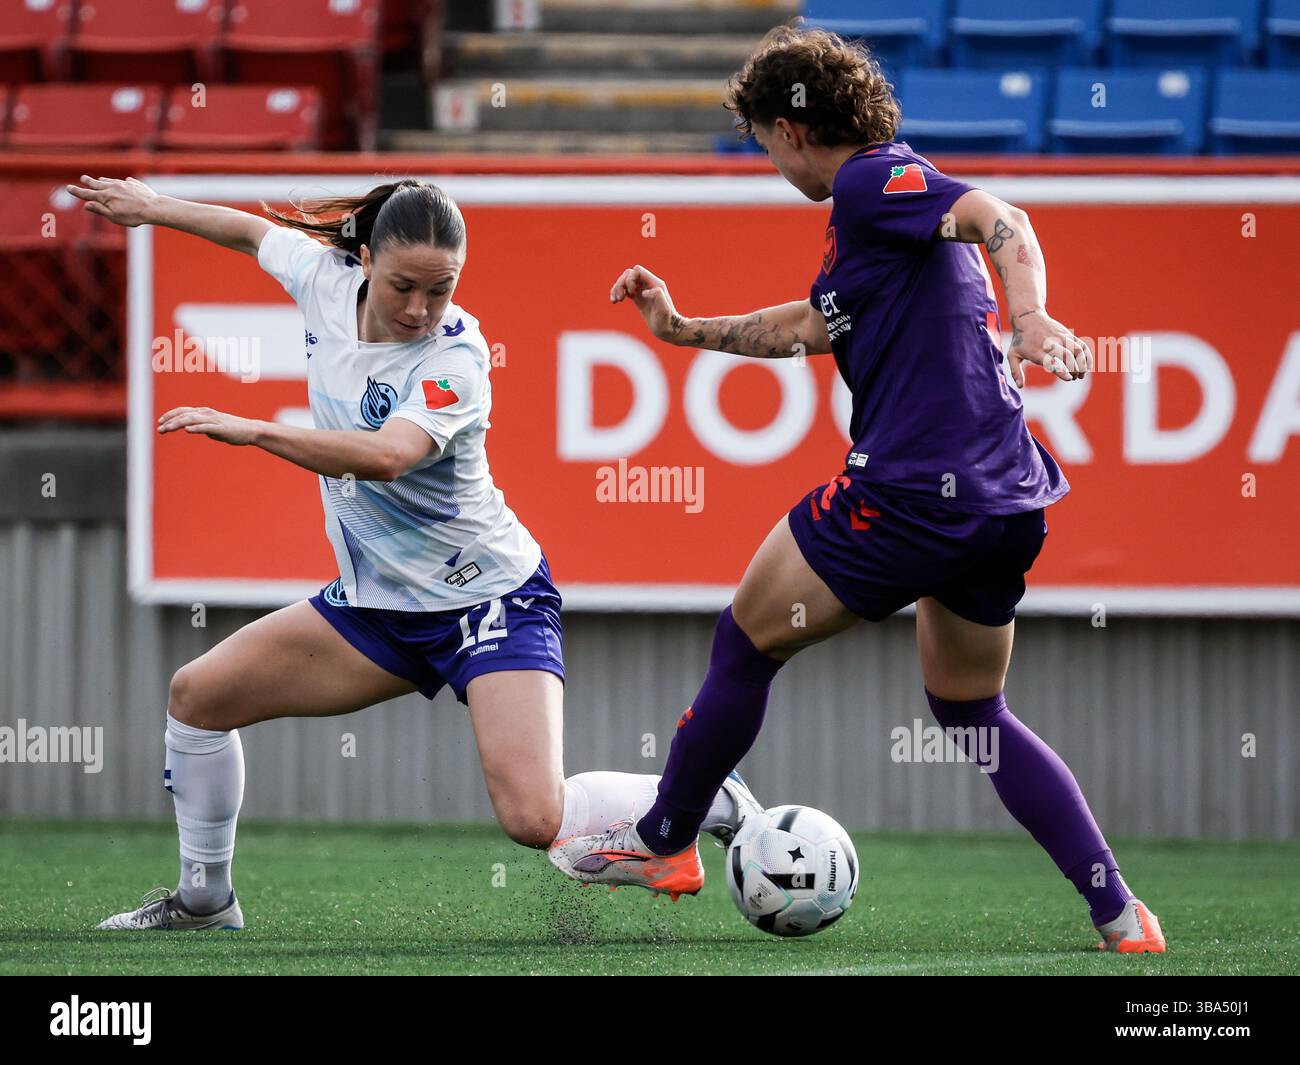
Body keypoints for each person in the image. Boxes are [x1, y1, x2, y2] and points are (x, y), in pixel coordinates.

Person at [549, 25, 1166, 954]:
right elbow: (806, 323)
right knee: (971, 709)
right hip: (1006, 505)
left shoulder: (874, 181)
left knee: (746, 640)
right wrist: (679, 330)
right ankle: (1121, 911)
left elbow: (1005, 219)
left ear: (791, 131)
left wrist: (1031, 317)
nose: (768, 161)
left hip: (911, 494)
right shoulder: (875, 221)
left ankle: (664, 841)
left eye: (762, 143)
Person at [70, 175, 748, 930]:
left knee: (533, 817)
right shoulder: (322, 280)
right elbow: (250, 232)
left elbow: (388, 455)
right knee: (197, 698)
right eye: (404, 287)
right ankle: (204, 900)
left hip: (488, 599)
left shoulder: (456, 359)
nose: (422, 309)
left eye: (442, 289)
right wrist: (153, 207)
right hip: (378, 609)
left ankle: (710, 797)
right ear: (362, 260)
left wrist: (259, 430)